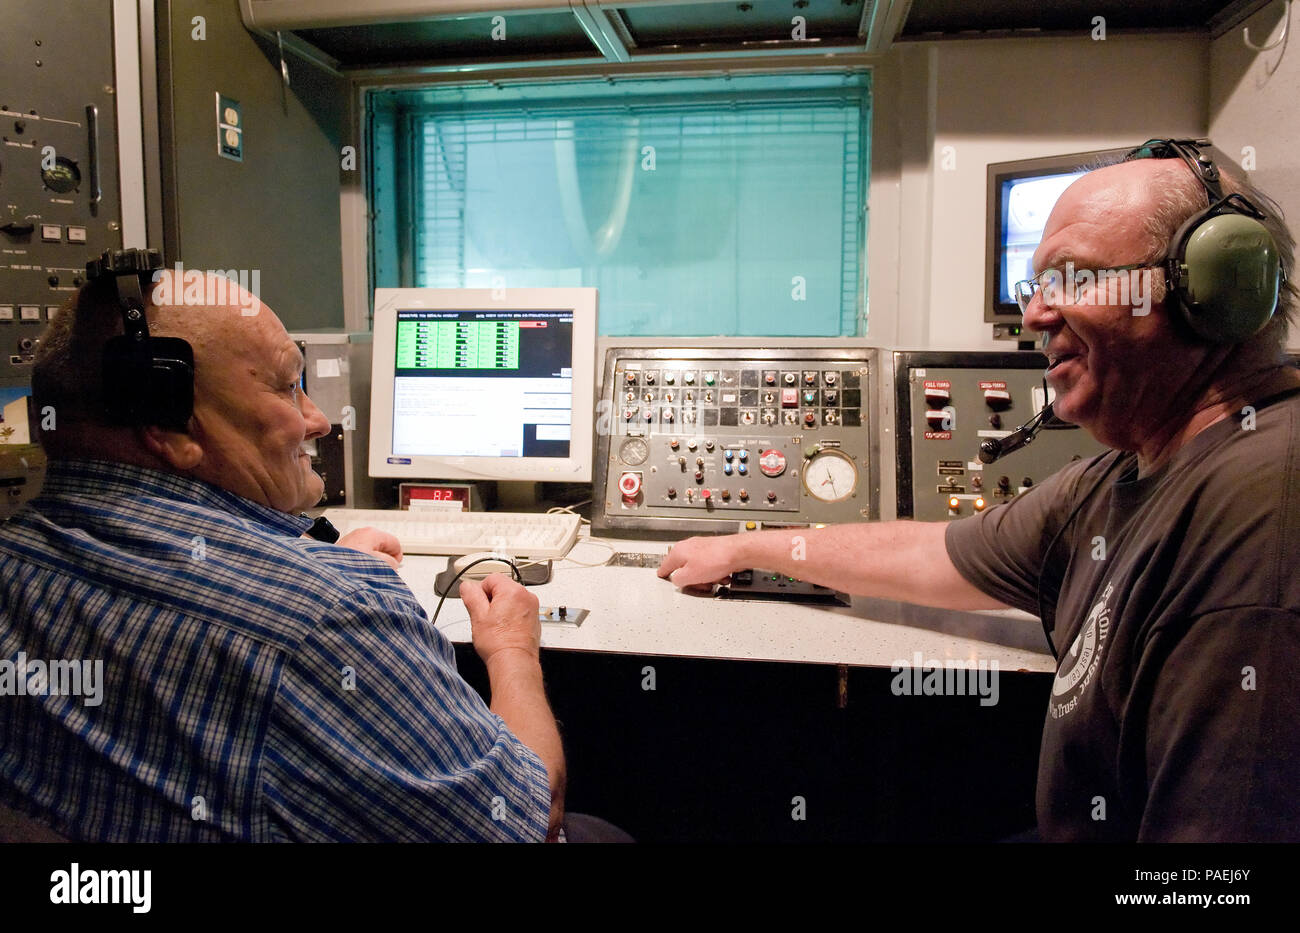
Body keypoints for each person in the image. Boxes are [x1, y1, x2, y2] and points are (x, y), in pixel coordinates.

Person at [659, 139, 1300, 842]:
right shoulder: (1124, 477)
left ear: (1213, 287)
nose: (1034, 316)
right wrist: (746, 546)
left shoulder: (1262, 515)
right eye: (1038, 285)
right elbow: (935, 555)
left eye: (1077, 279)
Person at [0, 265, 565, 842]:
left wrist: (301, 564)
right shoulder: (330, 616)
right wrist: (512, 650)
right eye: (285, 385)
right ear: (166, 422)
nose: (317, 418)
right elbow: (525, 819)